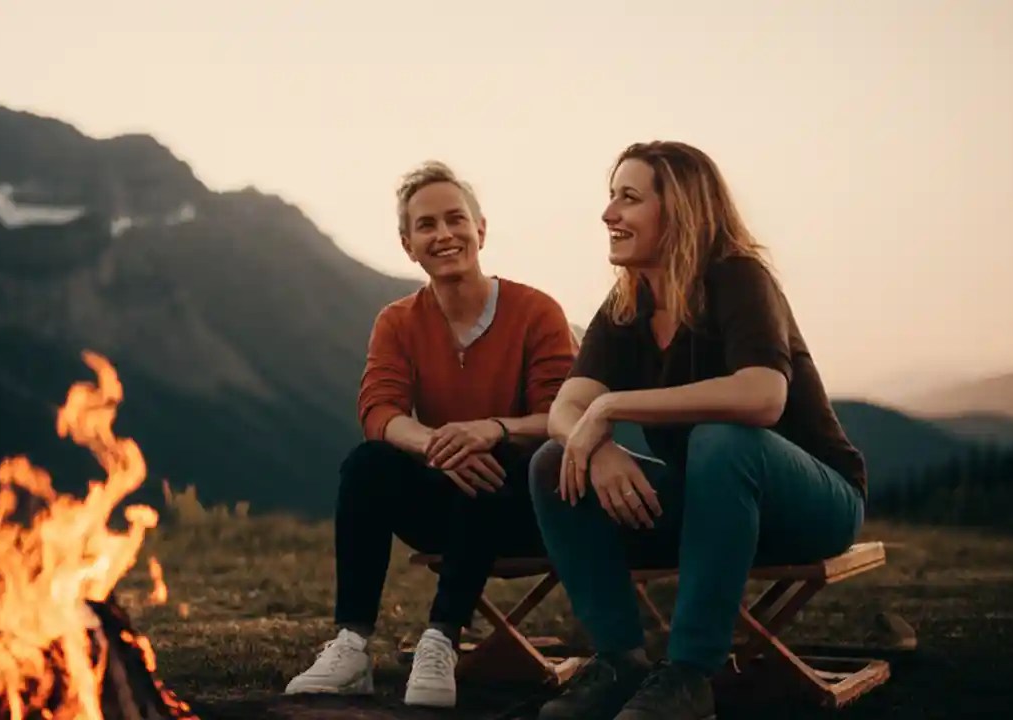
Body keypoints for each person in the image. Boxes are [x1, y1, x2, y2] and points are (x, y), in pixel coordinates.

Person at [529, 141, 868, 720]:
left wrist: (608, 409)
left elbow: (763, 395)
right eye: (610, 197)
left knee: (722, 438)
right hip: (714, 509)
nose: (608, 214)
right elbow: (568, 407)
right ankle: (621, 663)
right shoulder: (627, 304)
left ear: (680, 209)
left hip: (813, 504)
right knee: (551, 462)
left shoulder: (739, 277)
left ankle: (690, 675)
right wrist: (597, 440)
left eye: (628, 199)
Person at [284, 160, 578, 708]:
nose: (444, 235)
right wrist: (435, 447)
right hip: (446, 511)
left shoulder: (536, 312)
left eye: (455, 219)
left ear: (480, 229)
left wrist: (490, 430)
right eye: (426, 225)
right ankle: (351, 645)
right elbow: (378, 408)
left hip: (529, 507)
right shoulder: (398, 321)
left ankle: (441, 637)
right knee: (366, 463)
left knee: (498, 457)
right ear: (408, 244)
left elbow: (563, 415)